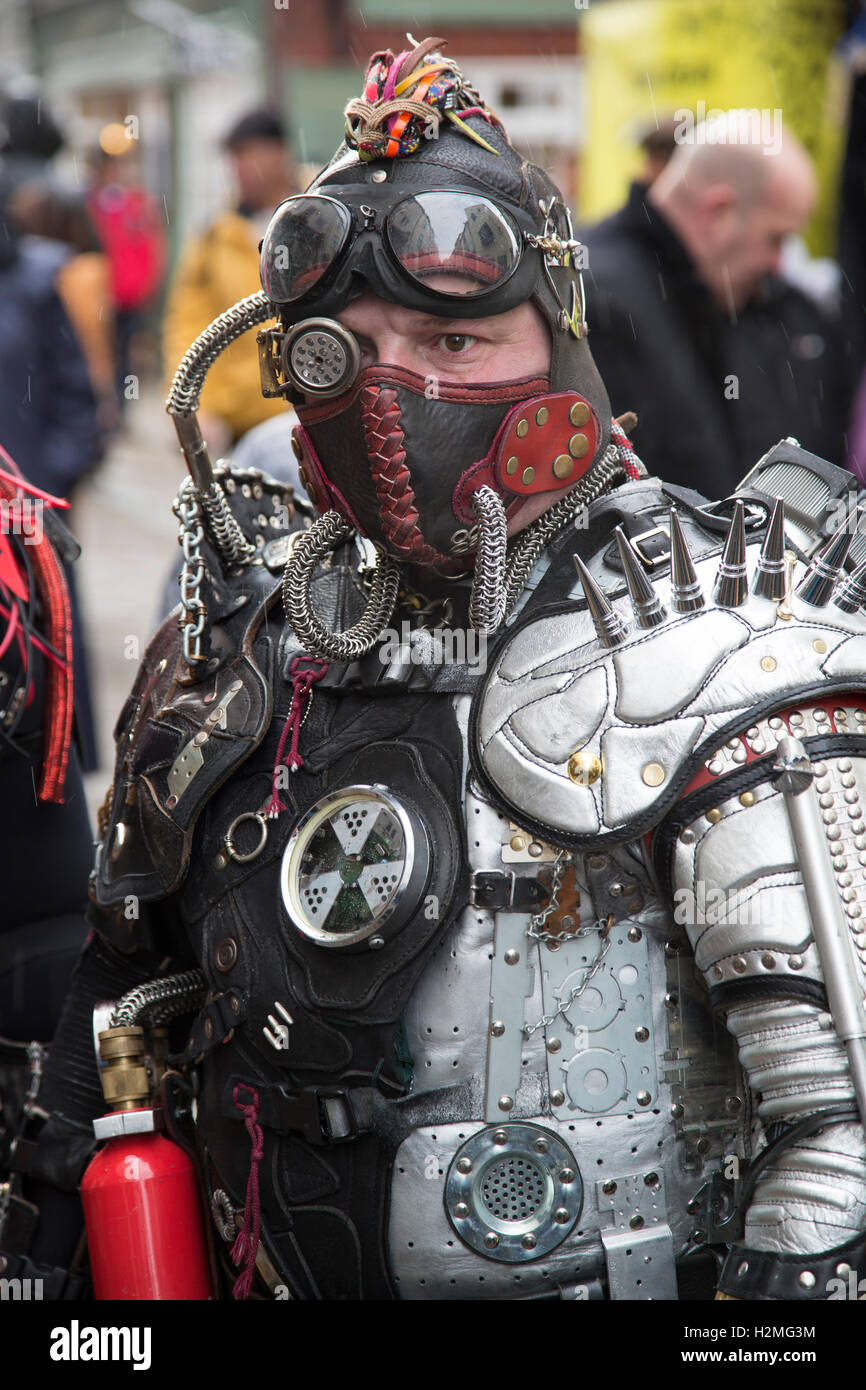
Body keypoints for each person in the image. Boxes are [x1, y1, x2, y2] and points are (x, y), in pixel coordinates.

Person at [8, 38, 866, 1304]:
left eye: (454, 342)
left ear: (552, 339)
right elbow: (112, 1035)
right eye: (340, 357)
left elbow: (841, 1149)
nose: (396, 394)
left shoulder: (726, 629)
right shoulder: (240, 637)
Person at [580, 111, 851, 499]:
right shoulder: (599, 304)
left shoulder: (715, 291)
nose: (778, 264)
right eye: (776, 238)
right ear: (718, 211)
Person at [162, 106, 297, 455]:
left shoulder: (323, 215)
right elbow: (187, 325)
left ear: (279, 153)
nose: (238, 168)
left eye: (248, 154)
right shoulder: (214, 236)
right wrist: (196, 408)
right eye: (234, 157)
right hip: (242, 425)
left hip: (317, 412)